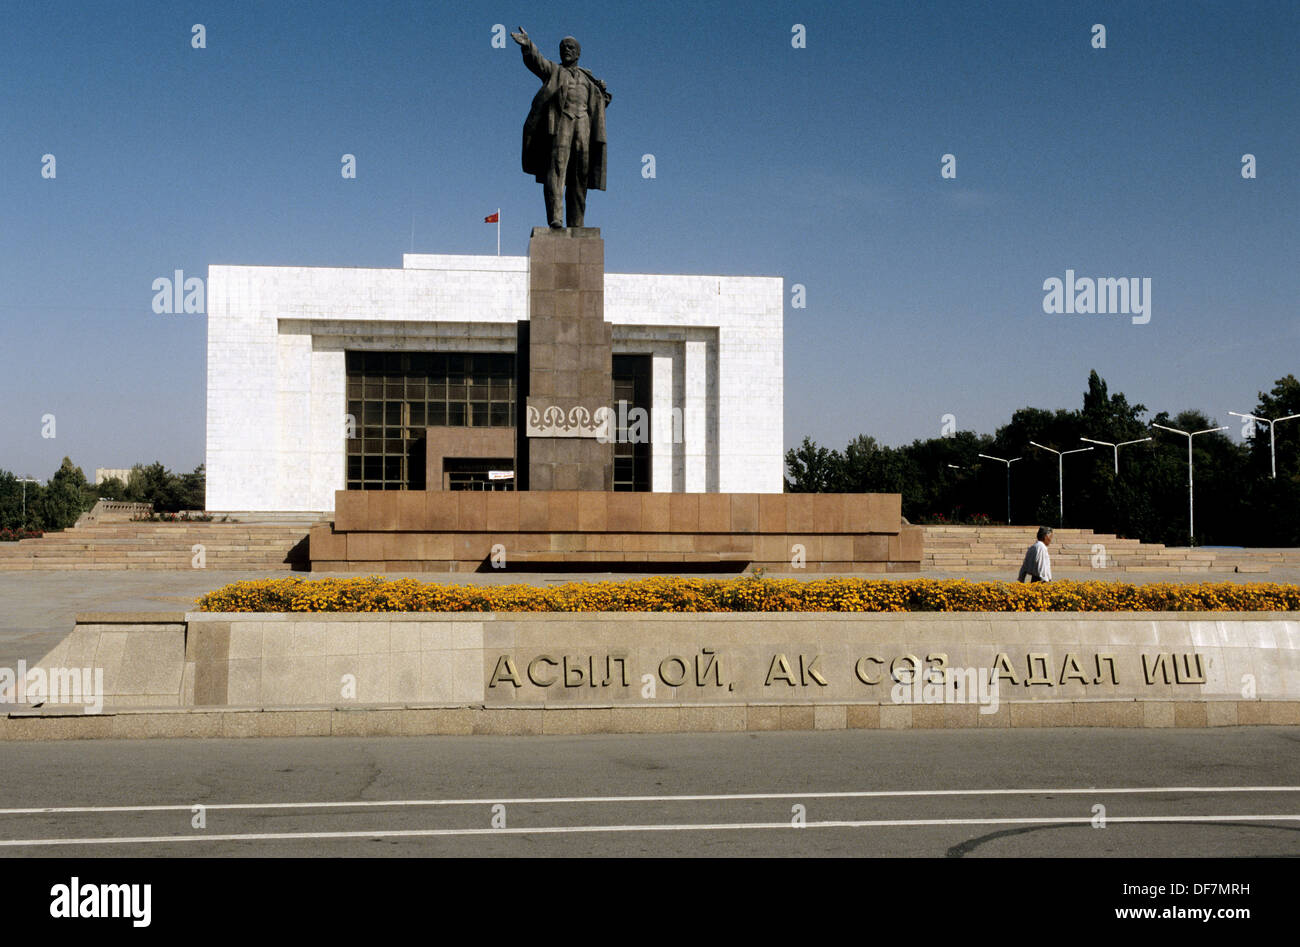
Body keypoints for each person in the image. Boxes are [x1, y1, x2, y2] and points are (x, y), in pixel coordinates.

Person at [511, 27, 611, 229]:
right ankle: (556, 218)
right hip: (561, 124)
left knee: (580, 175)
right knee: (556, 170)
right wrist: (528, 46)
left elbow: (601, 102)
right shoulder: (554, 71)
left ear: (578, 53)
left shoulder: (588, 79)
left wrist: (603, 93)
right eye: (563, 47)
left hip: (583, 126)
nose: (566, 50)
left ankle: (577, 223)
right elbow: (537, 62)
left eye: (571, 47)